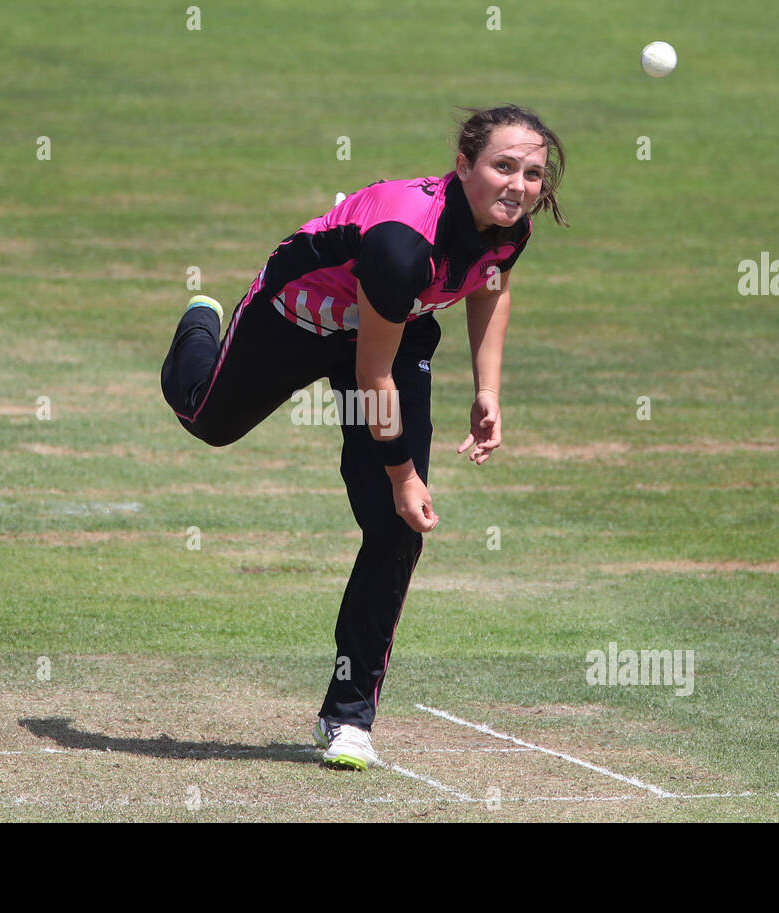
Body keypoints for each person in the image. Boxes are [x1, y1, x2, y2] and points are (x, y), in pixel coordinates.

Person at [161, 104, 566, 769]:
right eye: (502, 167)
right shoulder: (402, 243)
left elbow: (490, 286)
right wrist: (403, 474)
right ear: (463, 165)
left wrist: (486, 389)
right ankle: (201, 324)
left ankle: (347, 717)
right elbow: (370, 373)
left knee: (398, 529)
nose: (518, 186)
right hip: (297, 314)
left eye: (532, 174)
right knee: (207, 419)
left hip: (392, 332)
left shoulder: (509, 229)